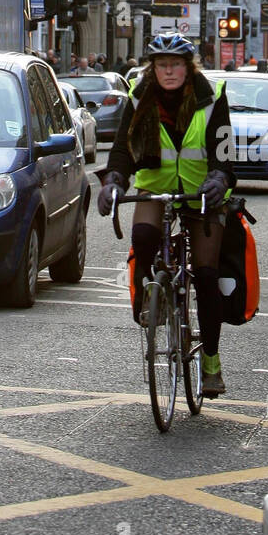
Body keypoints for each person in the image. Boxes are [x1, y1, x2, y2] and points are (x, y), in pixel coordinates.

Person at [95, 32, 235, 397]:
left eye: (175, 64)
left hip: (202, 193)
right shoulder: (139, 96)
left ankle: (211, 363)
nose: (168, 71)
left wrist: (219, 178)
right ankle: (148, 294)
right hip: (155, 186)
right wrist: (113, 181)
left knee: (205, 275)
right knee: (143, 235)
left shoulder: (211, 96)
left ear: (189, 68)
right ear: (152, 68)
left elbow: (224, 150)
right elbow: (123, 149)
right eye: (161, 65)